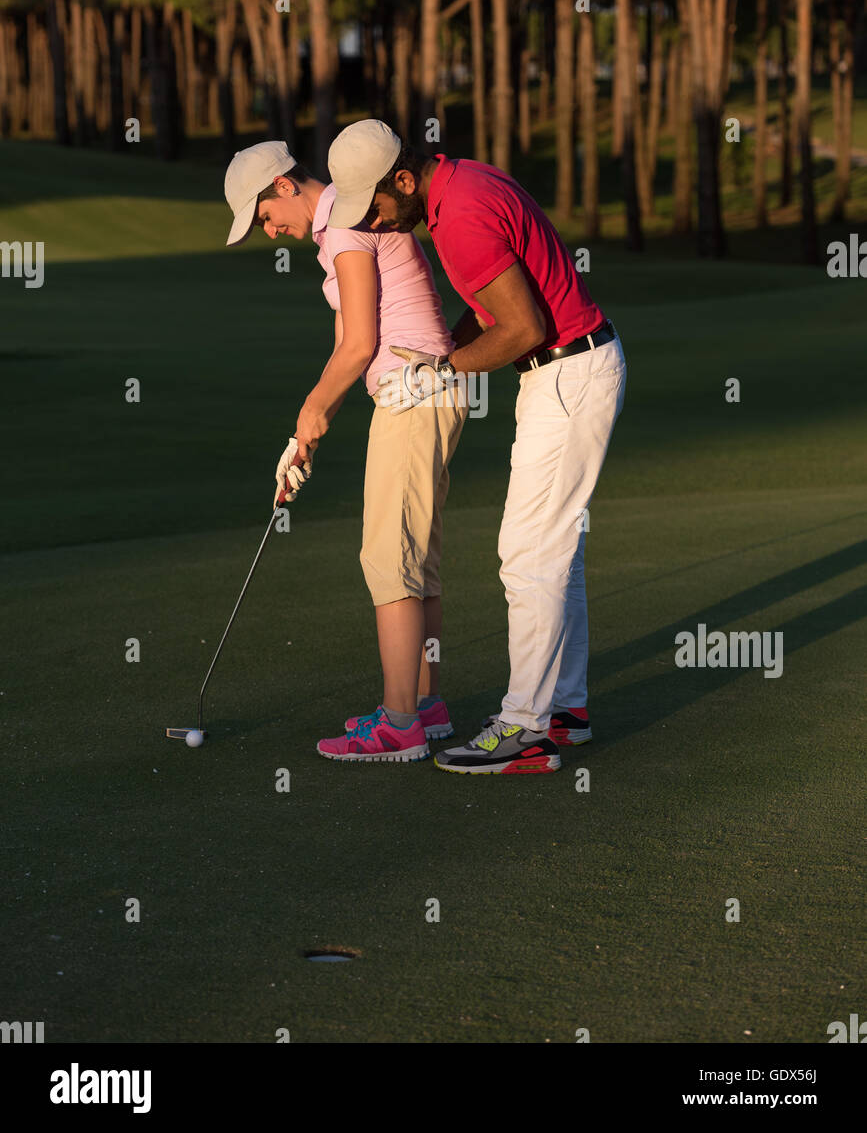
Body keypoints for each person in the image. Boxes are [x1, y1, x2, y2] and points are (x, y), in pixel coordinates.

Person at [326, 121, 627, 776]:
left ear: (402, 180)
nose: (373, 223)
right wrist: (444, 354)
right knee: (555, 553)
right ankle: (563, 712)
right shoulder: (463, 178)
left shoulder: (455, 218)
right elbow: (494, 305)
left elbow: (521, 326)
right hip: (571, 367)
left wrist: (441, 371)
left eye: (375, 205)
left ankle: (525, 728)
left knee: (528, 556)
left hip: (566, 372)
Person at [223, 136, 467, 762]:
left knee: (389, 558)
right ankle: (425, 704)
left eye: (264, 217)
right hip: (424, 391)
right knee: (417, 556)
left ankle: (400, 724)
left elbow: (361, 344)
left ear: (282, 185)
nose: (271, 232)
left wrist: (307, 413)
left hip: (413, 392)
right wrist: (304, 435)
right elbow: (347, 350)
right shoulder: (341, 226)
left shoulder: (345, 224)